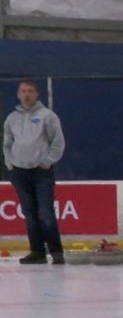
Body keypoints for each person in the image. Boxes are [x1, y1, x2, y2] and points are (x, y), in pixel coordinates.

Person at [3, 79, 66, 265]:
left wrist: (47, 162)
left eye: (30, 91)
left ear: (36, 94)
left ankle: (56, 251)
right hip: (19, 173)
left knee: (46, 214)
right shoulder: (11, 119)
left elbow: (58, 142)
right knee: (29, 215)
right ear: (18, 94)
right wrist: (10, 165)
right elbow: (7, 144)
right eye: (23, 91)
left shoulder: (47, 116)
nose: (27, 94)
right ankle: (37, 252)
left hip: (41, 173)